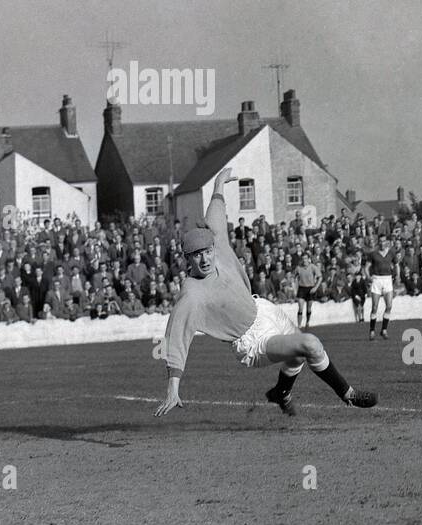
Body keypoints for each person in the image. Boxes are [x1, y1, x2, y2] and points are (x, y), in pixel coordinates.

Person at [154, 168, 377, 418]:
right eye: (196, 255)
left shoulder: (219, 247)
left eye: (207, 251)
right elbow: (176, 337)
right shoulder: (192, 294)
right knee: (310, 344)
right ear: (187, 259)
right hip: (251, 343)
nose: (204, 258)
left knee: (298, 353)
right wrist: (173, 386)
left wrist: (218, 185)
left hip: (264, 310)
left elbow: (214, 215)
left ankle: (280, 393)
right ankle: (348, 394)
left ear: (213, 248)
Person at [366, 233, 397, 340]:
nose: (382, 243)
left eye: (384, 241)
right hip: (377, 280)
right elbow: (366, 267)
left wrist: (397, 277)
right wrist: (368, 277)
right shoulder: (373, 253)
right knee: (374, 307)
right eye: (380, 241)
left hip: (388, 279)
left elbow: (397, 265)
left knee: (389, 306)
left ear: (387, 242)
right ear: (378, 242)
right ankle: (372, 330)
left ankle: (384, 330)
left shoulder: (391, 252)